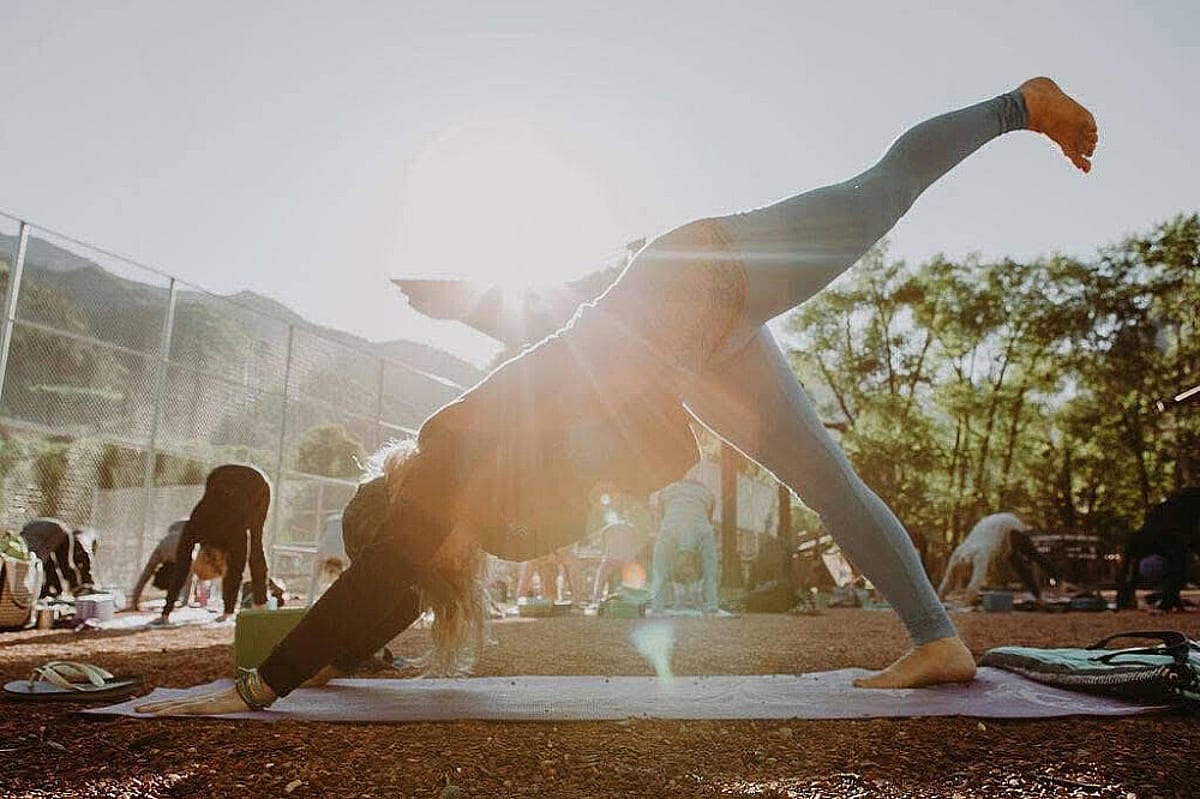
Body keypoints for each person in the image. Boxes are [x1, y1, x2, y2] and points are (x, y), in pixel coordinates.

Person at [139, 76, 1098, 716]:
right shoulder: (484, 506)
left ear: (404, 516)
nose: (449, 565)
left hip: (691, 279)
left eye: (424, 555)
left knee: (877, 192)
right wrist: (329, 661)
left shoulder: (447, 446)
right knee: (828, 481)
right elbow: (387, 592)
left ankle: (1020, 104)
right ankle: (939, 640)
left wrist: (259, 685)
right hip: (693, 357)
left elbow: (380, 581)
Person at [160, 464, 272, 623]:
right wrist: (166, 612)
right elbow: (182, 565)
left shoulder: (232, 532)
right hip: (221, 475)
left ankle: (260, 604)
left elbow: (236, 571)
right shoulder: (195, 526)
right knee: (254, 544)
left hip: (257, 485)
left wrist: (166, 611)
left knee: (256, 543)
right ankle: (258, 605)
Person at [937, 513, 1060, 605]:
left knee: (1028, 557)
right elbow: (948, 579)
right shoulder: (958, 553)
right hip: (995, 527)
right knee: (1017, 561)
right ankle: (1039, 595)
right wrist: (939, 598)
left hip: (1010, 526)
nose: (966, 575)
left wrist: (968, 599)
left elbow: (976, 580)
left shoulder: (981, 553)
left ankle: (1058, 579)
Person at [1116, 487, 1200, 611]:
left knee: (1178, 558)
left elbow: (1126, 568)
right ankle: (1169, 599)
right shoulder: (1165, 532)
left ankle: (1169, 599)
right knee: (1179, 558)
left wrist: (1123, 596)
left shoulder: (1150, 531)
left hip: (1170, 535)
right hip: (1171, 536)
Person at [649, 478, 721, 614]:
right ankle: (712, 604)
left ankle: (657, 604)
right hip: (701, 528)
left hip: (671, 526)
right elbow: (708, 517)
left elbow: (662, 515)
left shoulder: (667, 490)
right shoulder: (708, 493)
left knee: (660, 567)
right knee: (710, 568)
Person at [19, 518, 98, 598]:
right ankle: (55, 591)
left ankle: (78, 589)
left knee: (65, 564)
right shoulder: (25, 542)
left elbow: (39, 558)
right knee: (49, 566)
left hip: (61, 533)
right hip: (52, 534)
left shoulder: (25, 544)